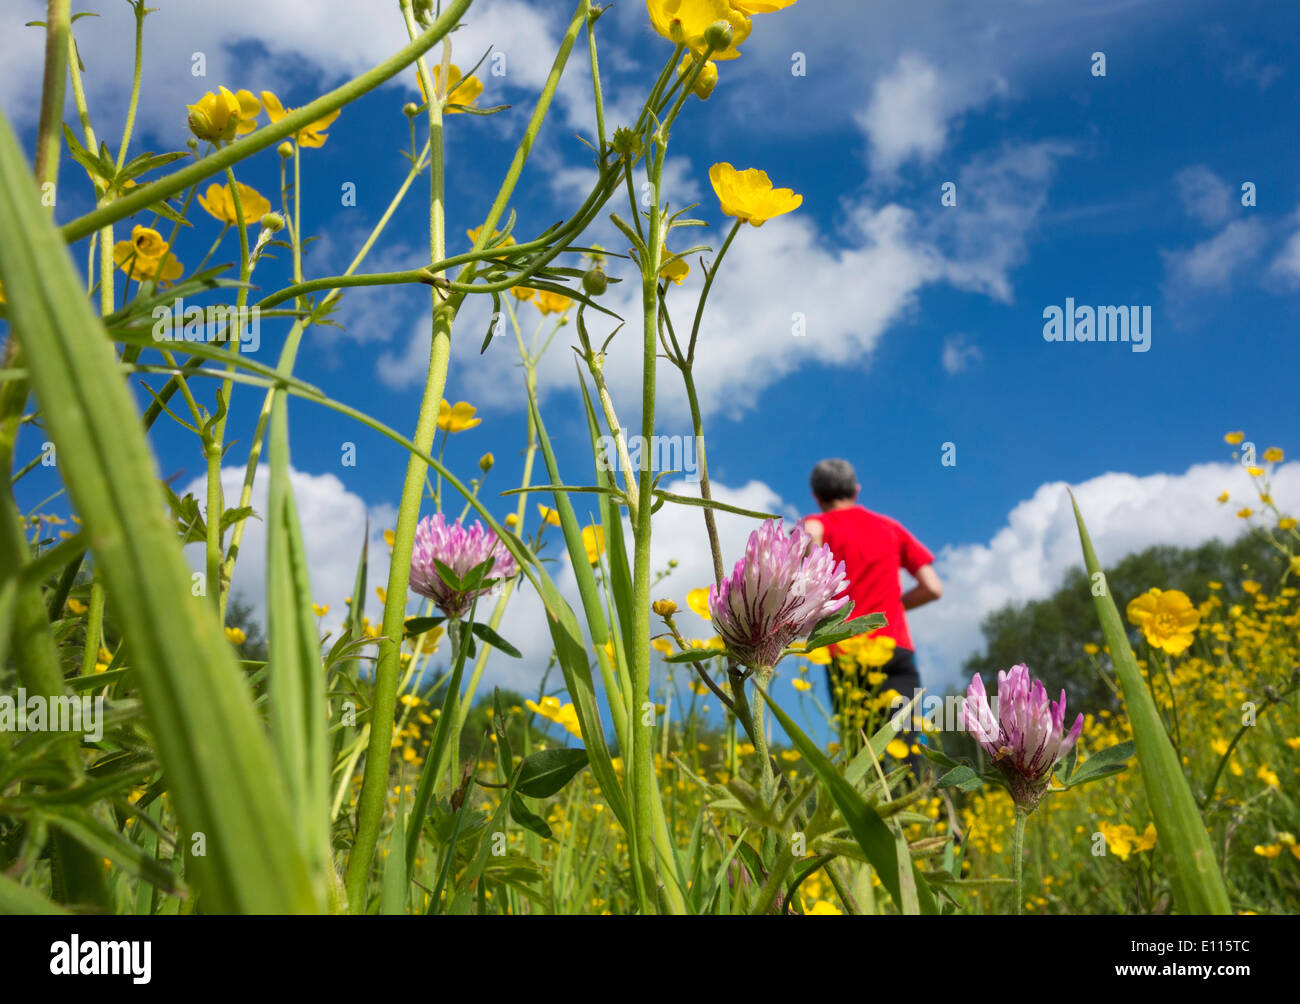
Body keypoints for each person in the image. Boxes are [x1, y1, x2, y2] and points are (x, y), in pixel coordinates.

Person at [802, 458, 942, 771]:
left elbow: (808, 540)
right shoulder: (890, 527)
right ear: (856, 489)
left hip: (847, 651)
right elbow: (932, 587)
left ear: (817, 496)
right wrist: (892, 606)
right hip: (896, 648)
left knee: (859, 751)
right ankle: (912, 818)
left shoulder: (818, 523)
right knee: (905, 747)